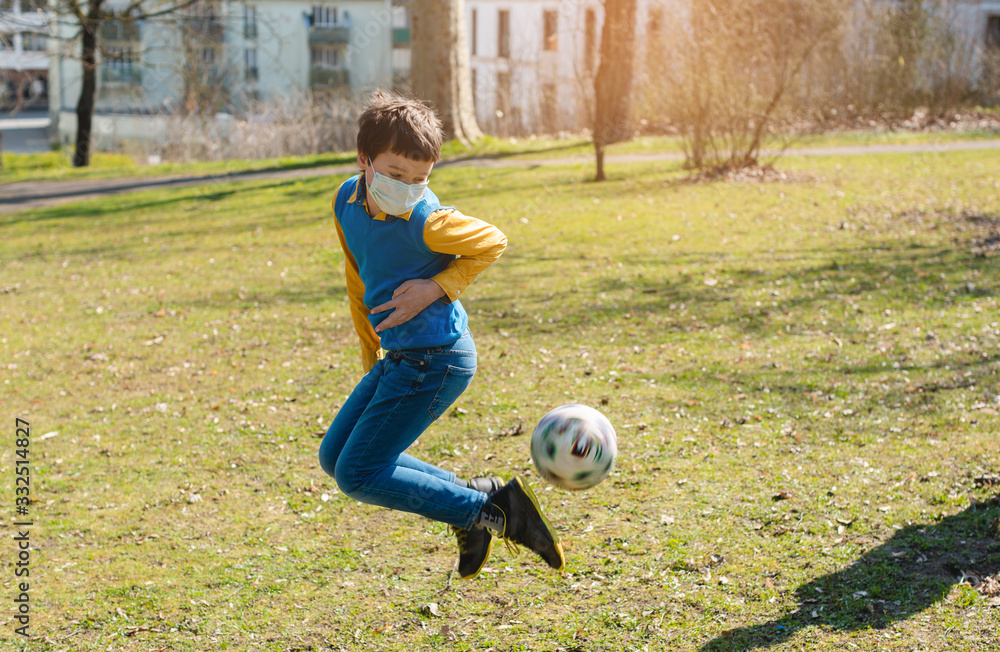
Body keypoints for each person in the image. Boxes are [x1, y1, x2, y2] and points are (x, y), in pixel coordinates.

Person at [318, 90, 564, 579]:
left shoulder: (426, 222)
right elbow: (358, 277)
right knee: (335, 457)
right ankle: (478, 495)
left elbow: (494, 240)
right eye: (394, 174)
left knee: (358, 472)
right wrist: (371, 353)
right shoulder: (346, 199)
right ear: (363, 160)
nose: (407, 187)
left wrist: (436, 286)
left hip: (437, 359)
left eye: (420, 178)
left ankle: (494, 513)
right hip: (399, 358)